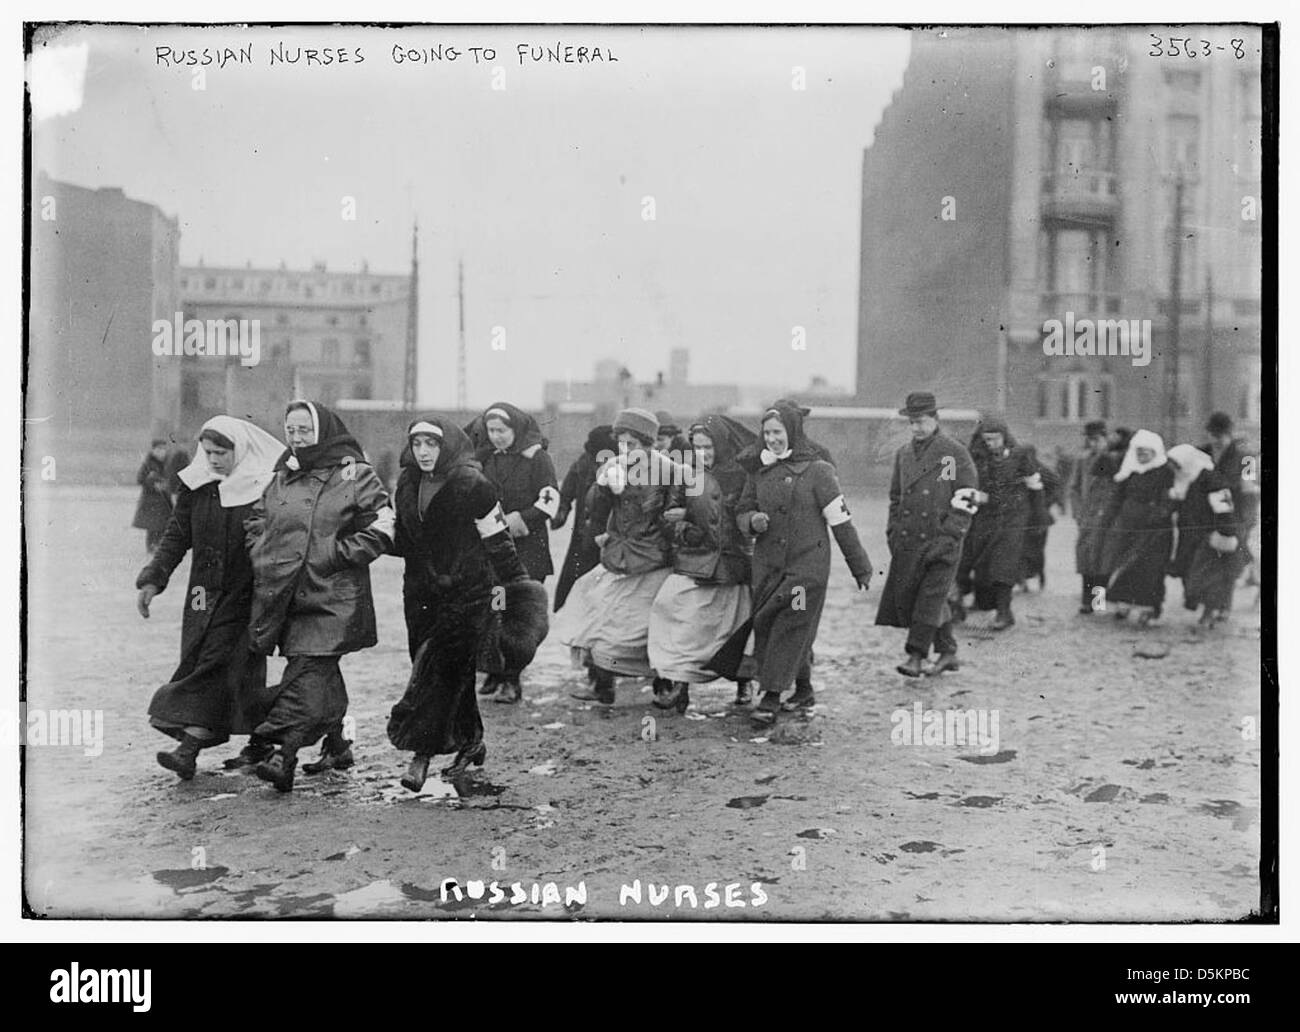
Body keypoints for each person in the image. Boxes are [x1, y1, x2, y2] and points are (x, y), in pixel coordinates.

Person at [386, 417, 545, 791]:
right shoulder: (407, 484)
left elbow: (498, 540)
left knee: (434, 670)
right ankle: (472, 742)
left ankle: (420, 756)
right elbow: (408, 541)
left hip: (468, 594)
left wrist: (516, 587)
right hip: (420, 594)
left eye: (432, 444)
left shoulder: (474, 485)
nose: (423, 452)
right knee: (448, 674)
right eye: (417, 444)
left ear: (448, 446)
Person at [245, 400, 395, 792]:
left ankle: (284, 756)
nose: (296, 438)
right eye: (290, 430)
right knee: (316, 671)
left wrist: (337, 554)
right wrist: (262, 550)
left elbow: (384, 523)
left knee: (305, 673)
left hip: (333, 596)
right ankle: (338, 745)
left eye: (304, 431)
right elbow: (257, 517)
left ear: (323, 431)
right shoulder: (283, 475)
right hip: (287, 594)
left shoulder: (354, 472)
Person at [135, 417, 281, 779]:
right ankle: (268, 742)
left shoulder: (263, 489)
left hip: (247, 595)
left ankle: (188, 749)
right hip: (201, 594)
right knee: (217, 666)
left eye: (222, 452)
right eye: (209, 452)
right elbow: (175, 536)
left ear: (241, 450)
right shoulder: (197, 486)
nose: (214, 459)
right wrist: (154, 578)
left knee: (218, 666)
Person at [735, 401, 872, 724]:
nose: (772, 439)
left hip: (807, 566)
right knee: (769, 623)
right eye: (767, 433)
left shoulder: (819, 471)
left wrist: (860, 566)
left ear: (792, 432)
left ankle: (770, 697)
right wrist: (752, 520)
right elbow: (741, 510)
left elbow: (841, 522)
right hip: (768, 565)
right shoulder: (758, 471)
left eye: (778, 432)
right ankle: (804, 687)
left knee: (791, 623)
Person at [560, 408, 679, 706]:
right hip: (617, 557)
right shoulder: (614, 465)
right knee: (601, 616)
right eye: (622, 443)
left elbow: (676, 512)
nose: (627, 450)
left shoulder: (668, 470)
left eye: (634, 444)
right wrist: (603, 488)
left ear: (649, 443)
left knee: (650, 627)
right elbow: (593, 510)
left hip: (653, 560)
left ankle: (665, 686)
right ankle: (603, 686)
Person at [647, 414, 758, 712]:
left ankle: (743, 682)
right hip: (696, 561)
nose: (702, 453)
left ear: (721, 444)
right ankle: (680, 687)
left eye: (708, 447)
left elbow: (748, 513)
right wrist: (686, 530)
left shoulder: (743, 475)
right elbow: (668, 515)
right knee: (681, 620)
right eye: (697, 447)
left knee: (733, 629)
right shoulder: (688, 475)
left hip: (733, 565)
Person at [875, 392, 980, 677]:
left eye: (921, 421)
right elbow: (895, 498)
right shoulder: (904, 454)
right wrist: (893, 532)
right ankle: (947, 652)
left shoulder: (954, 452)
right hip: (909, 542)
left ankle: (916, 656)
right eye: (912, 422)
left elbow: (968, 495)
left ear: (935, 419)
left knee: (929, 600)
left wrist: (950, 536)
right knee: (925, 598)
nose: (916, 428)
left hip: (942, 541)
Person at [472, 402, 560, 704]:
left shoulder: (537, 458)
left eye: (502, 430)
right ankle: (496, 669)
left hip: (527, 553)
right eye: (491, 430)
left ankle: (513, 680)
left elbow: (550, 500)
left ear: (516, 430)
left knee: (519, 616)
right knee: (496, 610)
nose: (496, 436)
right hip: (496, 556)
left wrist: (519, 519)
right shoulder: (487, 459)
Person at [953, 416, 1041, 630]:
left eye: (994, 439)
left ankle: (1004, 612)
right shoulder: (979, 458)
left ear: (1004, 437)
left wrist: (1038, 517)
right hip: (986, 518)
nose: (990, 444)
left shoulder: (1020, 456)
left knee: (1004, 564)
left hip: (1013, 518)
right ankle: (962, 604)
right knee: (978, 562)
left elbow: (1035, 487)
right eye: (986, 439)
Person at [1101, 429, 1175, 626]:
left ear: (1155, 452)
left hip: (1155, 532)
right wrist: (1107, 519)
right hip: (1129, 526)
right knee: (1125, 565)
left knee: (1150, 570)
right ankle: (1124, 602)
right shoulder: (1130, 472)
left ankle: (1148, 608)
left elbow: (1169, 501)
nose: (1142, 456)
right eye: (1139, 452)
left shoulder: (1165, 472)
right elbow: (1117, 498)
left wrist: (1156, 514)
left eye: (1146, 452)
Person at [552, 424, 616, 612]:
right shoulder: (584, 463)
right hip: (587, 533)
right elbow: (567, 490)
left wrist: (562, 510)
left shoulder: (593, 462)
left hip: (601, 532)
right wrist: (562, 510)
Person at [1072, 421, 1123, 614]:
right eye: (1089, 440)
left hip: (1107, 519)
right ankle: (1087, 601)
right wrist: (1078, 513)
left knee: (1103, 562)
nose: (1092, 444)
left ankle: (1098, 601)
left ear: (1105, 438)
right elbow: (1074, 488)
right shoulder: (1082, 460)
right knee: (1086, 561)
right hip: (1087, 518)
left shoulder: (1115, 459)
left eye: (1096, 440)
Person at [133, 438, 175, 553]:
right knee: (152, 527)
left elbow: (172, 478)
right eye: (159, 449)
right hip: (151, 500)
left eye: (163, 449)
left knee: (163, 526)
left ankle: (160, 546)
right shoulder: (148, 463)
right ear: (153, 450)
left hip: (164, 500)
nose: (162, 452)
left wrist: (166, 485)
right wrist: (153, 485)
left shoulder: (168, 463)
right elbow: (140, 479)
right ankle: (151, 546)